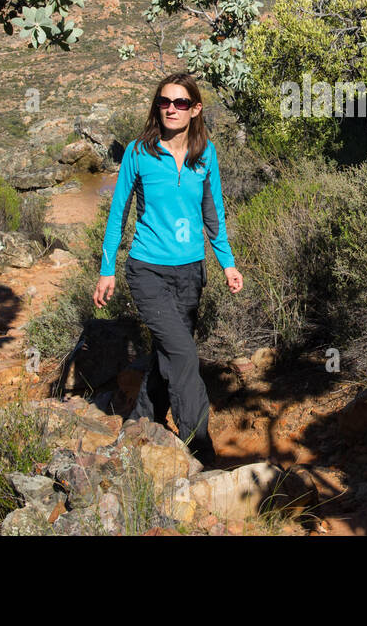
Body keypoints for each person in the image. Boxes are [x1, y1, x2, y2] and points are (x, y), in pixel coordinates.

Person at [92, 72, 243, 467]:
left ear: (195, 110)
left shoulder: (204, 152)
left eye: (180, 103)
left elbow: (214, 213)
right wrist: (107, 268)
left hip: (191, 272)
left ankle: (142, 423)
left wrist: (227, 263)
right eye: (164, 101)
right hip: (148, 271)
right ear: (156, 106)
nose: (170, 109)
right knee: (184, 355)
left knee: (166, 354)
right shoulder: (138, 152)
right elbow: (118, 212)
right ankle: (201, 448)